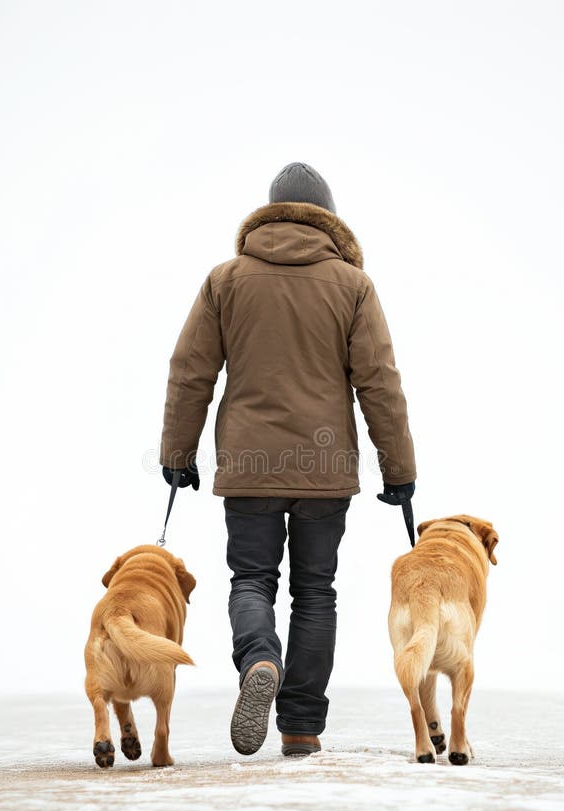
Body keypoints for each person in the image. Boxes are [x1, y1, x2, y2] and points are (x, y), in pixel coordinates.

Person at [160, 163, 416, 757]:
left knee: (252, 579)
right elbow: (379, 382)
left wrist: (177, 453)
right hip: (325, 469)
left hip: (248, 465)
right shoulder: (353, 285)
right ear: (328, 218)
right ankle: (300, 725)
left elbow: (190, 371)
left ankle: (260, 659)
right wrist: (399, 470)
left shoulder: (226, 280)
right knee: (315, 592)